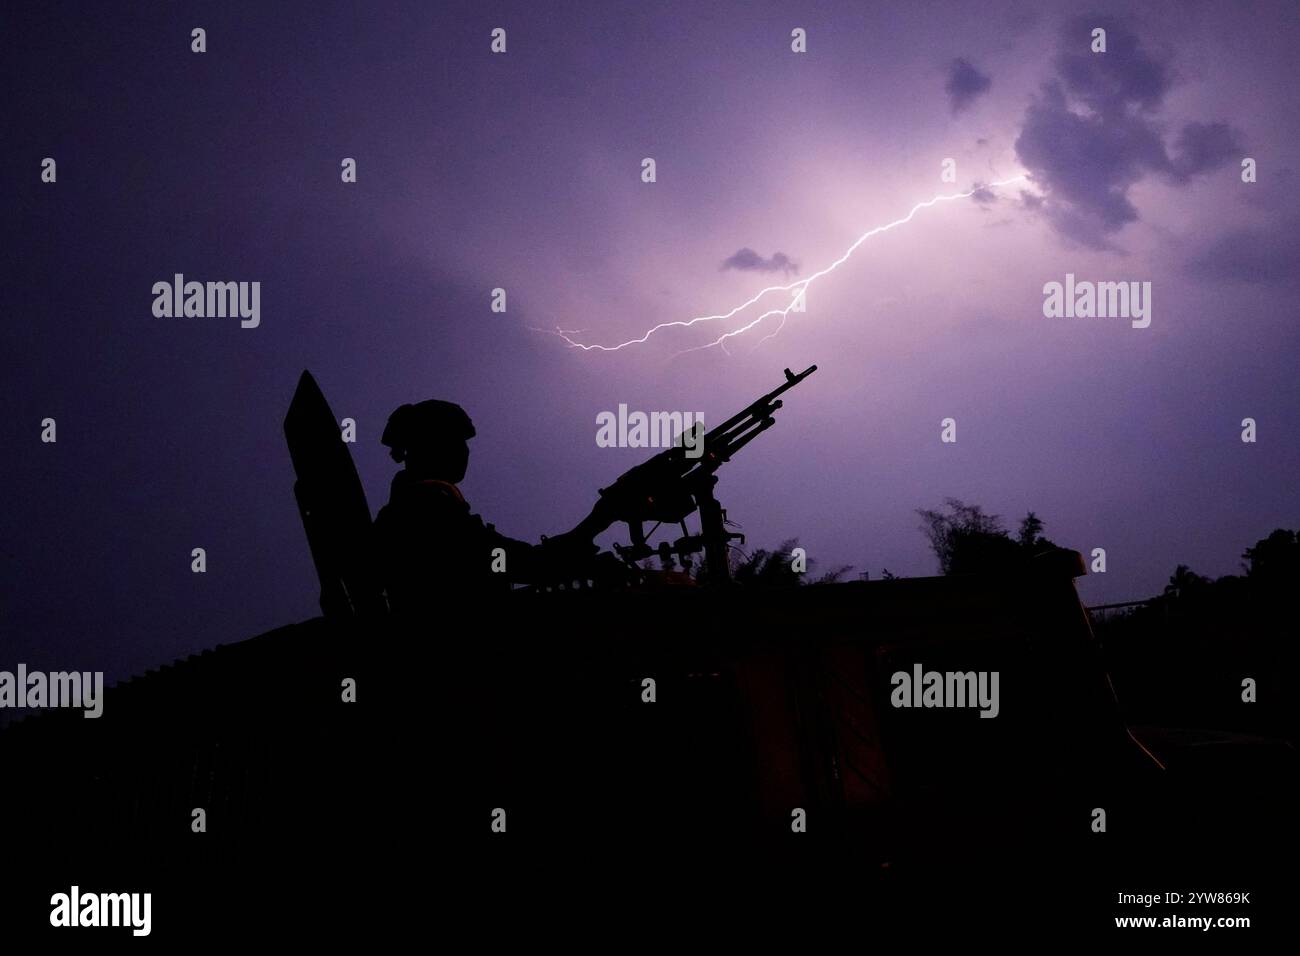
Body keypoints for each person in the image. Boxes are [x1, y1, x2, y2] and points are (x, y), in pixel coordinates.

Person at [372, 398, 614, 614]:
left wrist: (580, 538)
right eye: (457, 441)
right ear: (435, 444)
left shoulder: (418, 501)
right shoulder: (424, 506)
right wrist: (580, 548)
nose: (465, 451)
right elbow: (501, 560)